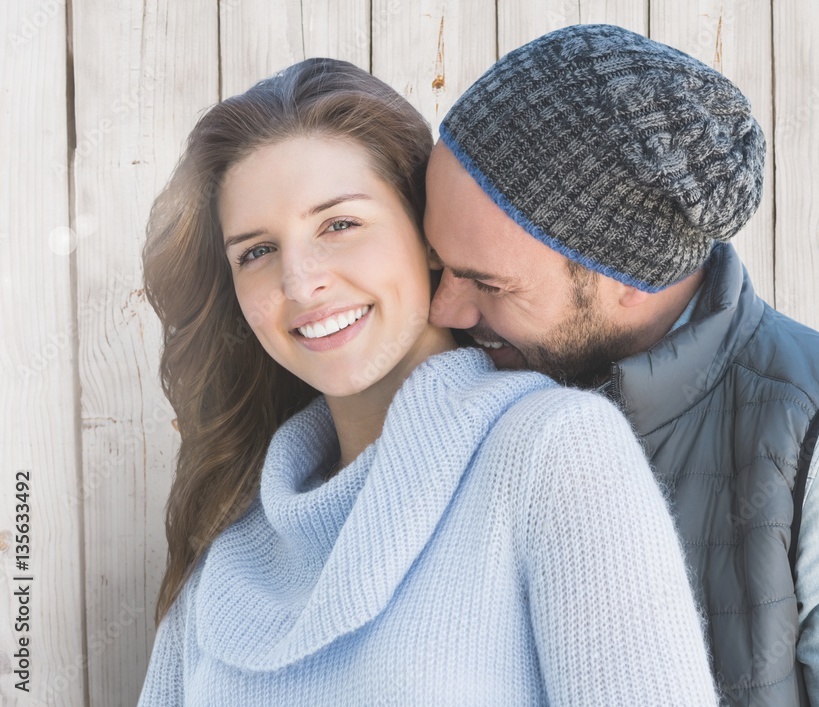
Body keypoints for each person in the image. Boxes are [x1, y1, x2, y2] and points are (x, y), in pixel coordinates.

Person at [423, 23, 819, 707]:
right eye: (436, 266)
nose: (443, 311)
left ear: (629, 276)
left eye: (487, 284)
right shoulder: (463, 390)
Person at [136, 57, 718, 706]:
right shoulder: (229, 527)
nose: (299, 284)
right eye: (257, 251)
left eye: (339, 224)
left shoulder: (553, 452)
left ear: (428, 233)